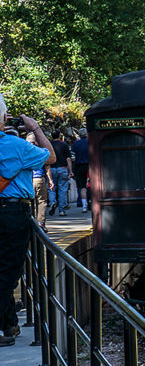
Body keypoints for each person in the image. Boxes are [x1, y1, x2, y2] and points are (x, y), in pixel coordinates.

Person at [0, 95, 56, 347]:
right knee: (8, 272)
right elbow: (50, 157)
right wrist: (35, 128)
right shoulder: (16, 145)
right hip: (11, 212)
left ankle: (9, 324)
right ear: (4, 117)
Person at [26, 133, 51, 232]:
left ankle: (31, 222)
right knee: (41, 201)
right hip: (39, 178)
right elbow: (47, 166)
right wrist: (50, 180)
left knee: (30, 202)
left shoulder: (24, 151)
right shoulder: (39, 151)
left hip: (28, 180)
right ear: (35, 141)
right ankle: (40, 222)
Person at [49, 130, 72, 216]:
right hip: (62, 168)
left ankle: (52, 202)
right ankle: (62, 210)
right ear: (59, 135)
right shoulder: (64, 144)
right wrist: (70, 171)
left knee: (51, 187)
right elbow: (68, 159)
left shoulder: (49, 145)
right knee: (62, 189)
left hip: (51, 168)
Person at [71, 127, 89, 211]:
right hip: (90, 166)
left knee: (82, 187)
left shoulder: (75, 144)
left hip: (79, 166)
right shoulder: (90, 142)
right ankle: (91, 202)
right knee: (91, 185)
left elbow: (72, 157)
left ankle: (84, 206)